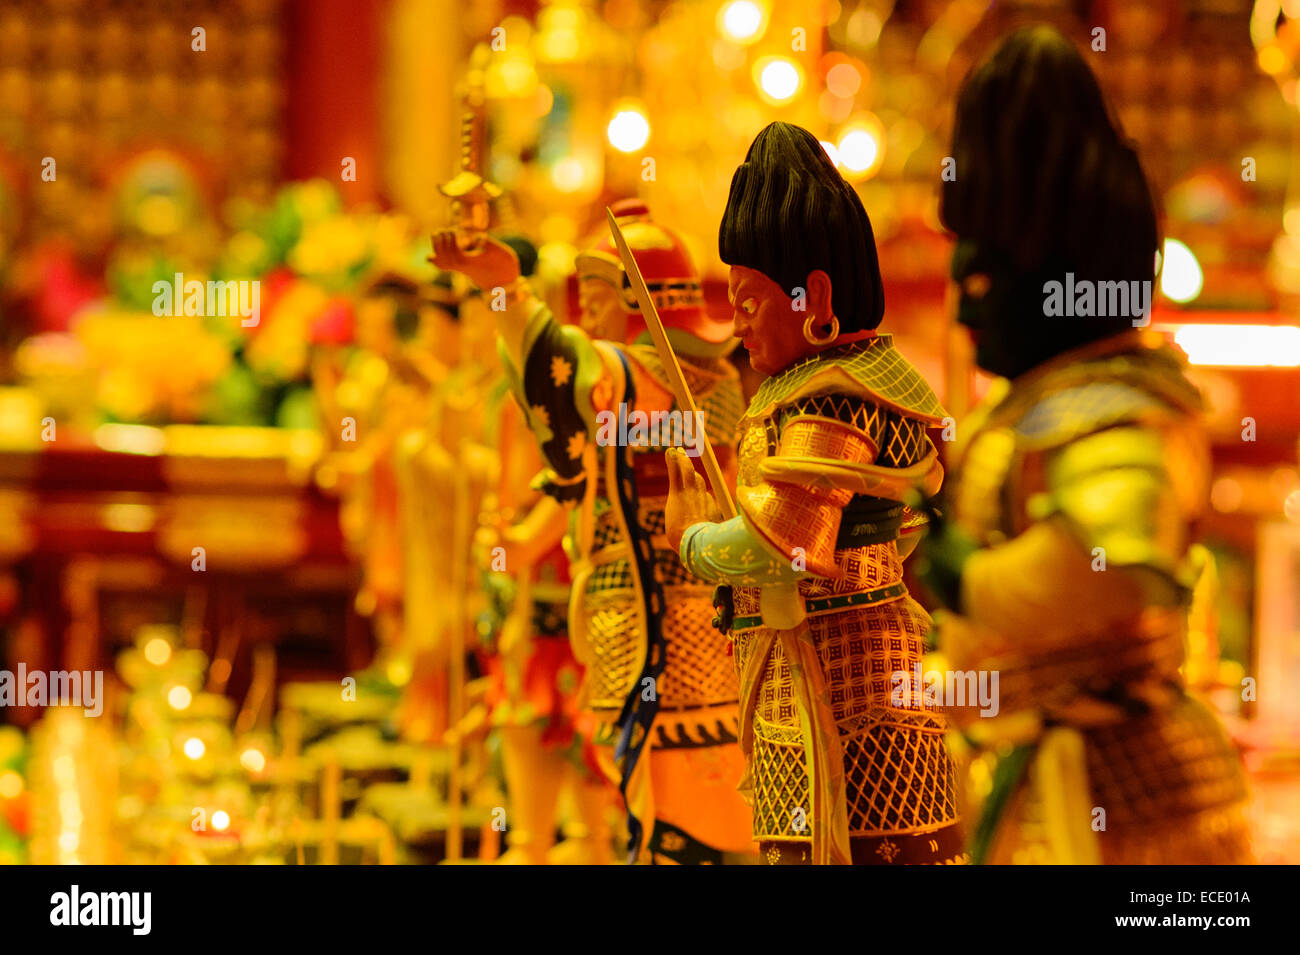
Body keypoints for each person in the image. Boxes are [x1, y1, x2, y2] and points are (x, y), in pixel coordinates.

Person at [920, 24, 1252, 863]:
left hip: (1105, 786)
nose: (963, 314)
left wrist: (964, 571)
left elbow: (1108, 565)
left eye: (982, 283)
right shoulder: (1047, 408)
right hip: (1025, 758)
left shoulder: (1111, 412)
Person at [666, 122, 963, 865]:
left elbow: (784, 542)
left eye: (749, 303)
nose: (737, 327)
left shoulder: (835, 395)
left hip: (846, 677)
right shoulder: (833, 385)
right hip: (825, 654)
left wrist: (694, 540)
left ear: (815, 296)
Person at [431, 201, 754, 863]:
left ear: (645, 302)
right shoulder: (679, 385)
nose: (591, 315)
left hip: (666, 622)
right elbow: (581, 476)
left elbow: (565, 364)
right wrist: (520, 544)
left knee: (673, 794)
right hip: (639, 616)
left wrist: (506, 290)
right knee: (644, 789)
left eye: (604, 300)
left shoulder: (651, 377)